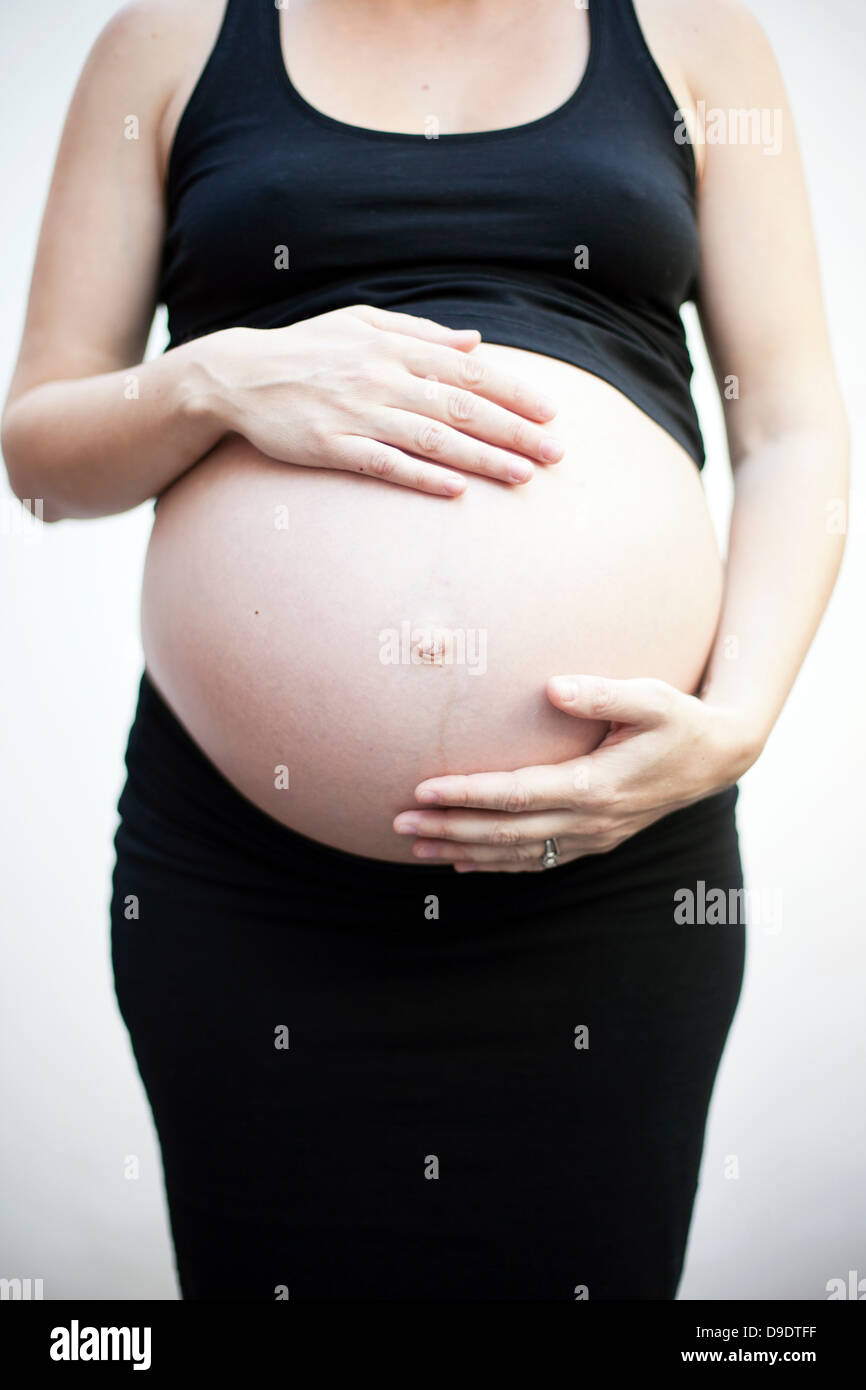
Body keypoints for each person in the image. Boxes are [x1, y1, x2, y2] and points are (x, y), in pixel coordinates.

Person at [1, 0, 848, 1299]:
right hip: (246, 875)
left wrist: (735, 722)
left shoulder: (691, 37)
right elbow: (41, 455)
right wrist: (214, 378)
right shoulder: (166, 45)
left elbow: (788, 426)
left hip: (610, 856)